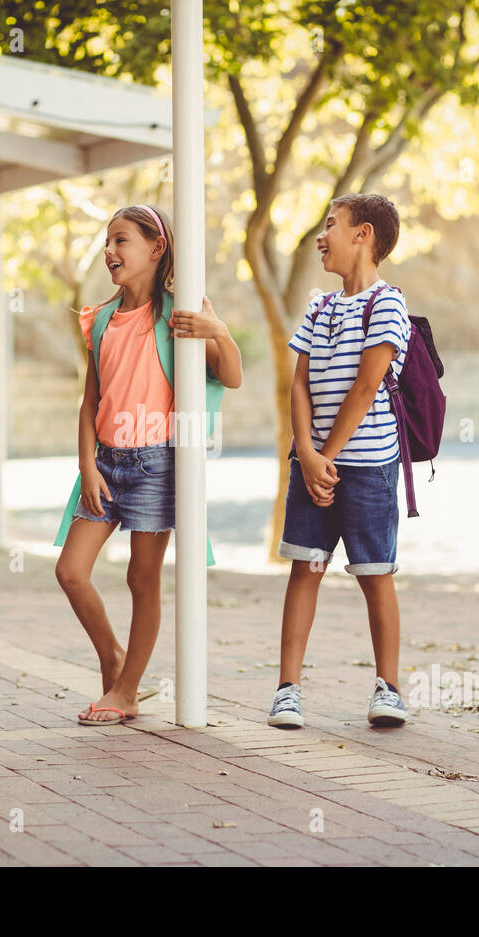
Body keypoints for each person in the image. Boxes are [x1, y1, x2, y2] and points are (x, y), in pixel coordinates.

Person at [54, 204, 243, 725]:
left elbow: (231, 376)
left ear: (156, 248)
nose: (110, 251)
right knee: (70, 572)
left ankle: (127, 691)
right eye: (107, 243)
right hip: (107, 464)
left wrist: (217, 330)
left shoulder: (177, 312)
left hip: (157, 463)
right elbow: (89, 401)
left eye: (122, 241)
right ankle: (114, 661)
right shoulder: (100, 320)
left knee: (143, 580)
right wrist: (87, 466)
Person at [269, 193, 412, 730]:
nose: (321, 235)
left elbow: (366, 385)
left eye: (332, 225)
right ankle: (287, 690)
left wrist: (324, 458)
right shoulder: (320, 307)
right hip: (313, 463)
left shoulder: (387, 304)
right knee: (305, 569)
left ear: (364, 234)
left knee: (375, 574)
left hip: (368, 467)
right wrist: (305, 452)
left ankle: (389, 688)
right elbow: (299, 383)